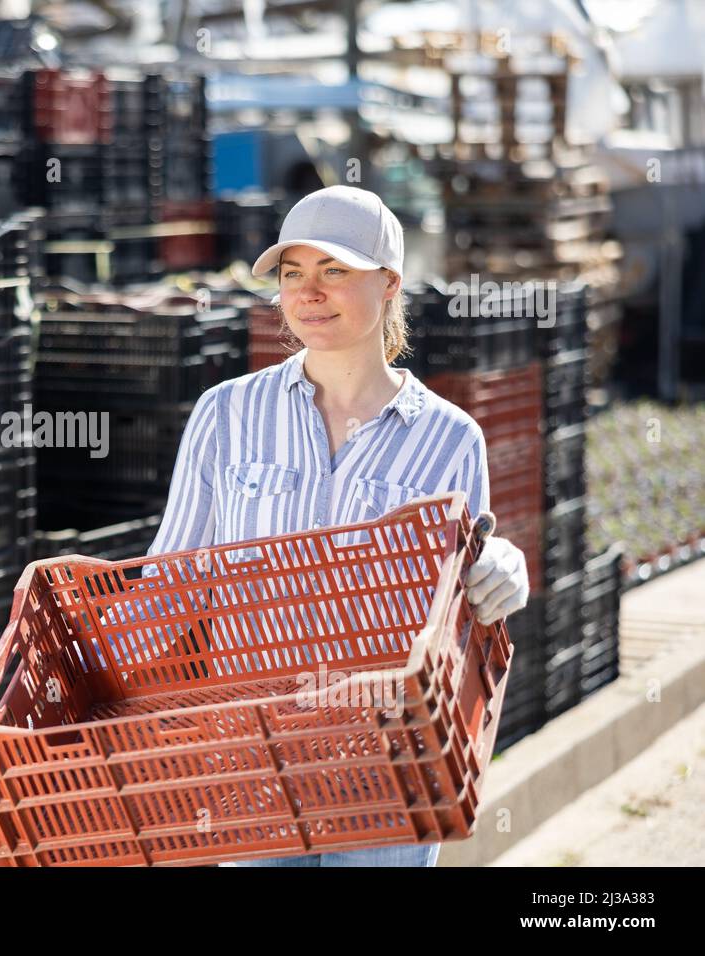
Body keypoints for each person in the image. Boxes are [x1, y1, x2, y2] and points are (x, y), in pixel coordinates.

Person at [145, 184, 530, 868]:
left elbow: (456, 611)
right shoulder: (226, 415)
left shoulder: (450, 439)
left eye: (334, 271)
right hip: (251, 761)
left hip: (389, 766)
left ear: (389, 284)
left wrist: (498, 565)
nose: (308, 293)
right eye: (293, 273)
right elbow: (169, 582)